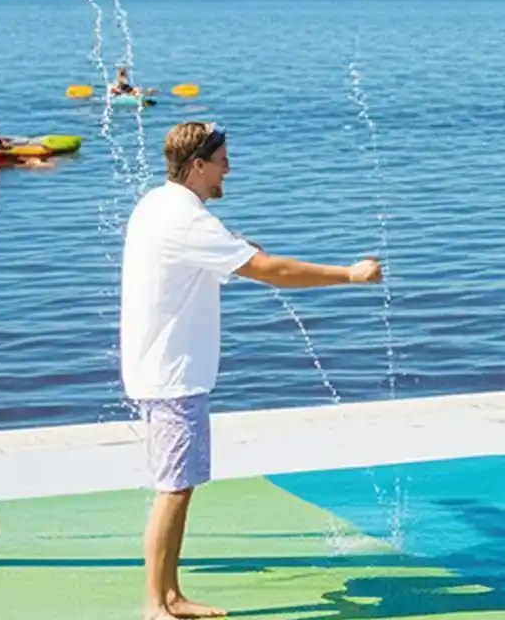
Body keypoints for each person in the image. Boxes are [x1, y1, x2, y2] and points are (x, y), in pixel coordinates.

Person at [120, 121, 383, 620]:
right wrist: (349, 275)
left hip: (162, 370)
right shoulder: (187, 221)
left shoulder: (160, 204)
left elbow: (219, 255)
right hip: (173, 376)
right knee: (173, 489)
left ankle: (169, 595)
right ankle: (158, 603)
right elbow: (270, 271)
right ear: (197, 165)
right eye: (222, 161)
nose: (229, 170)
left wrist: (237, 246)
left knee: (178, 485)